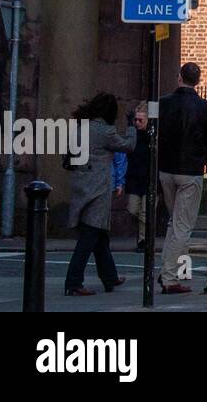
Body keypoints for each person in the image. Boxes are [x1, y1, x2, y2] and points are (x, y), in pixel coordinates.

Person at [63, 92, 137, 296]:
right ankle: (73, 281)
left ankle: (109, 277)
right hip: (98, 189)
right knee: (89, 236)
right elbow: (128, 146)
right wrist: (131, 125)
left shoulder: (80, 128)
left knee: (99, 236)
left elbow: (67, 157)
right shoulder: (105, 131)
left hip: (81, 186)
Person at [157, 62, 207, 294]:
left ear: (179, 77)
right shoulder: (206, 108)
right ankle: (170, 278)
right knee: (182, 227)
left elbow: (155, 134)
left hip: (166, 170)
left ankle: (165, 271)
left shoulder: (163, 103)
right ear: (198, 80)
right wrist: (202, 159)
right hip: (190, 171)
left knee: (174, 223)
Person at [123, 103, 150, 252]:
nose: (137, 123)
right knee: (133, 209)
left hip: (149, 178)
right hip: (134, 177)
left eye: (141, 120)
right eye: (136, 120)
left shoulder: (152, 135)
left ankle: (143, 240)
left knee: (146, 213)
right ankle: (143, 236)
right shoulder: (133, 134)